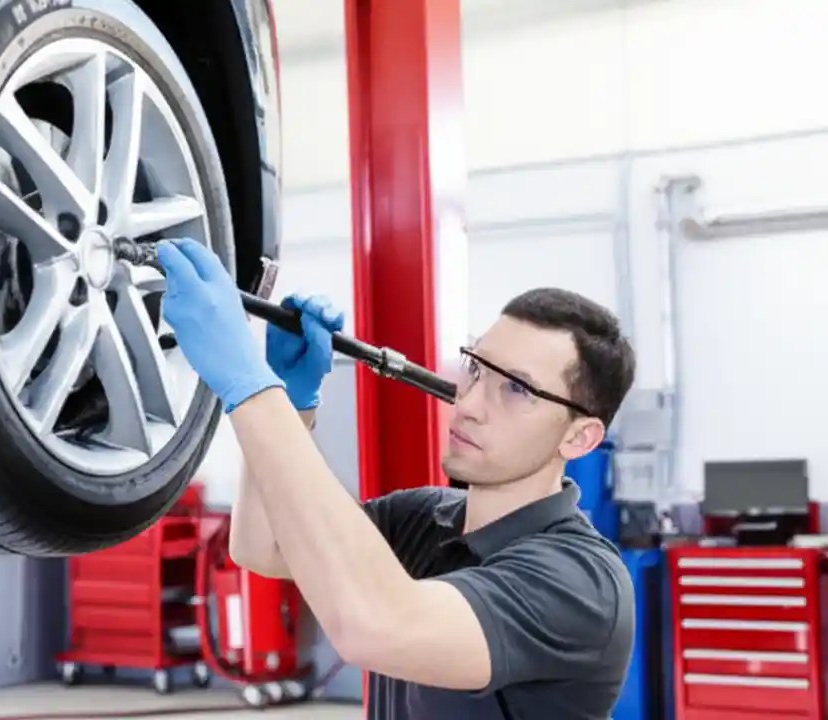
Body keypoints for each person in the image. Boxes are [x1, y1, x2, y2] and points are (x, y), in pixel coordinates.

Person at [155, 237, 638, 720]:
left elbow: (377, 624)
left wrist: (249, 383)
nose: (467, 405)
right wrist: (293, 402)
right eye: (476, 368)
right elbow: (265, 548)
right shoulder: (423, 518)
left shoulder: (581, 582)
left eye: (516, 388)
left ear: (579, 438)